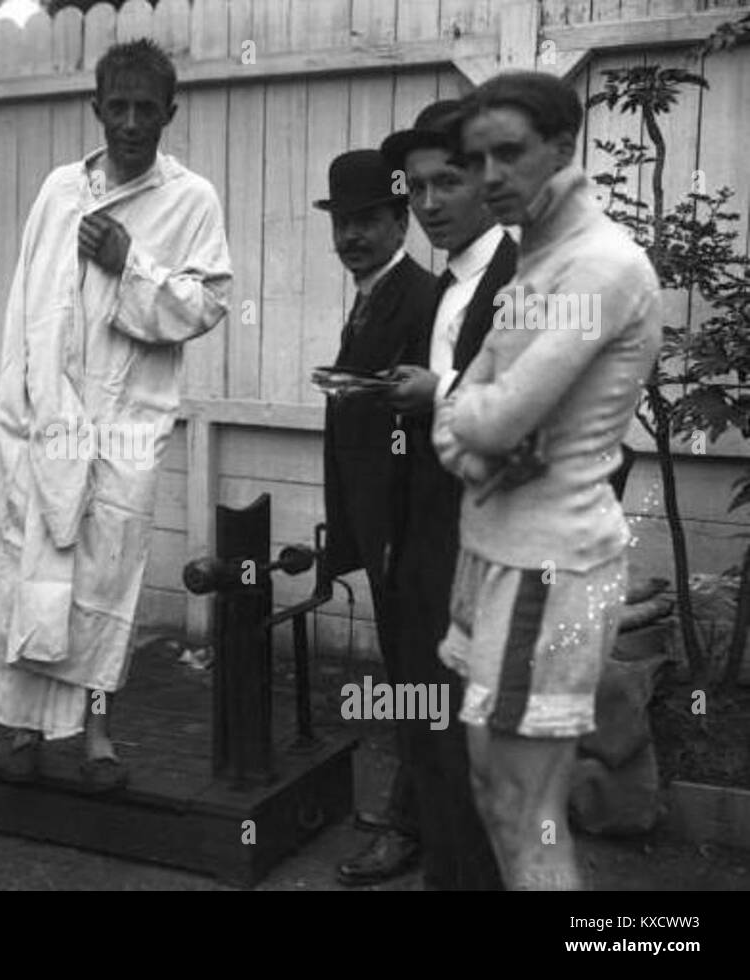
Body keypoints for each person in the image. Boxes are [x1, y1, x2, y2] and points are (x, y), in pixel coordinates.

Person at [0, 39, 232, 790]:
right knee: (26, 568)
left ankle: (95, 733)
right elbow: (27, 301)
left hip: (122, 427)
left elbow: (205, 304)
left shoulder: (191, 201)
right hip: (41, 417)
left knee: (102, 578)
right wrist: (19, 401)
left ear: (169, 114)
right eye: (116, 106)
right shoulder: (59, 191)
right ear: (95, 109)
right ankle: (21, 730)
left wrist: (132, 264)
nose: (129, 123)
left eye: (145, 109)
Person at [434, 71, 661, 890]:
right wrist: (472, 421)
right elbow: (466, 415)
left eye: (510, 153)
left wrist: (470, 419)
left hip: (549, 567)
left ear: (563, 147)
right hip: (494, 552)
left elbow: (487, 419)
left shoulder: (599, 267)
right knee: (497, 794)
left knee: (524, 811)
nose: (490, 175)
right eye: (478, 157)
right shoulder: (538, 258)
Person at [376, 100, 516, 890]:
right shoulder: (447, 287)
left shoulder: (521, 278)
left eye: (447, 183)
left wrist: (443, 389)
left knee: (478, 741)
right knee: (431, 732)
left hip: (490, 545)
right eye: (417, 188)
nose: (429, 204)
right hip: (432, 539)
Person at [313, 148, 435, 887]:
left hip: (411, 526)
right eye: (344, 223)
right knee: (408, 673)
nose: (353, 236)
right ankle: (415, 810)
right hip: (381, 521)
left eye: (369, 222)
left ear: (400, 223)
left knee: (419, 678)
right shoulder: (372, 296)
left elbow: (425, 431)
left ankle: (409, 828)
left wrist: (393, 539)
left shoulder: (418, 299)